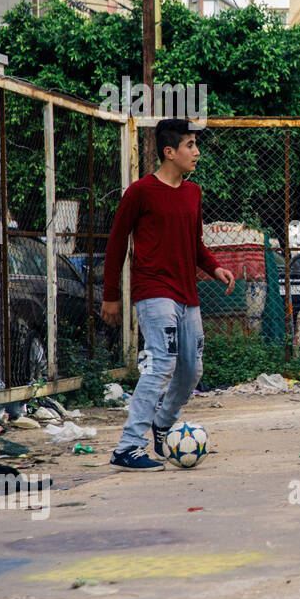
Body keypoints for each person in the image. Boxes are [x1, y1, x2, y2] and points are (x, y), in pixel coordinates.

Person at [101, 119, 235, 470]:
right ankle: (128, 447)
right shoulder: (140, 192)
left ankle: (163, 425)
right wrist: (110, 294)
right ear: (169, 151)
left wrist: (214, 267)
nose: (197, 152)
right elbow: (116, 244)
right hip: (153, 291)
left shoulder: (193, 192)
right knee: (162, 364)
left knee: (191, 370)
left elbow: (195, 244)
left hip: (187, 295)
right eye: (190, 145)